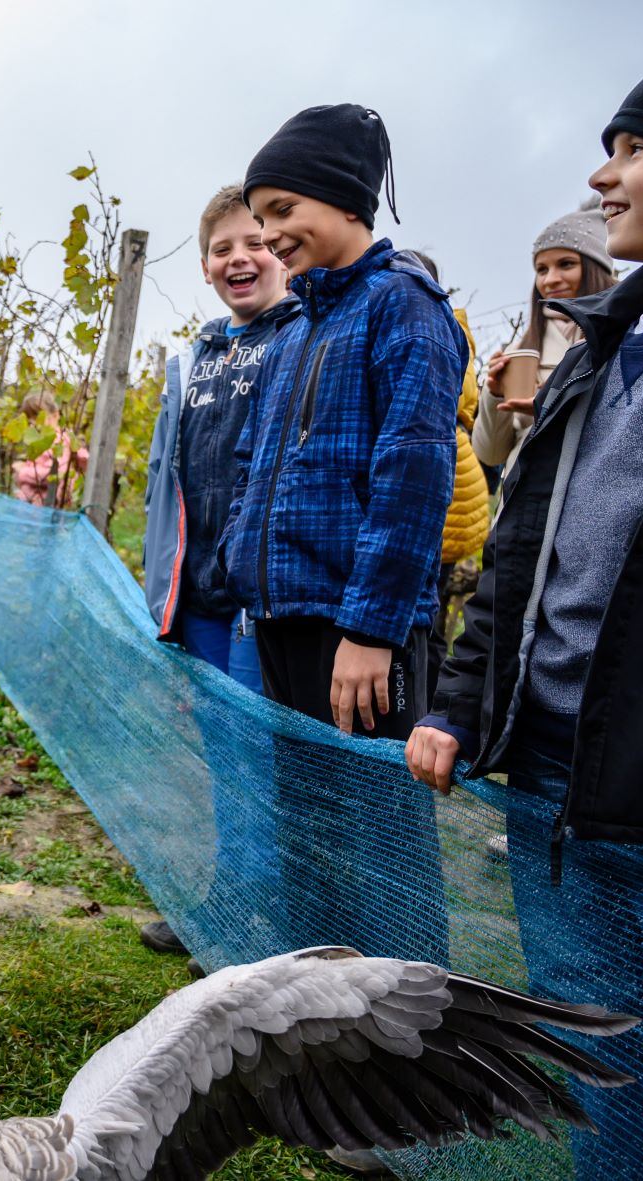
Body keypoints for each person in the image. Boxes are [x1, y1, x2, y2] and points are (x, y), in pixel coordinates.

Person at [409, 36, 643, 1180]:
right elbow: (517, 552)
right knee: (593, 1047)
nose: (602, 177)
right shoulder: (591, 351)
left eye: (631, 149)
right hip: (551, 777)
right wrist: (464, 704)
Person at [218, 105, 463, 976]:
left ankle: (411, 1030)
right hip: (283, 621)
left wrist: (370, 630)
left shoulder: (404, 308)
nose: (270, 233)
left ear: (345, 197)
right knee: (308, 825)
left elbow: (412, 477)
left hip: (356, 633)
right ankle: (323, 1012)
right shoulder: (298, 328)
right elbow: (256, 466)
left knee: (381, 837)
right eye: (260, 215)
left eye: (285, 210)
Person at [137, 185, 297, 957]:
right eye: (223, 248)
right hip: (196, 598)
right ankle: (228, 902)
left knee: (257, 768)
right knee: (224, 767)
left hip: (252, 604)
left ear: (282, 252)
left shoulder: (299, 342)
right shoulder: (193, 361)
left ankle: (251, 922)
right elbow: (164, 478)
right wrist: (160, 591)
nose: (240, 258)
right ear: (205, 267)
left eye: (255, 242)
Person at [473, 204, 618, 478]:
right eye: (541, 269)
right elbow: (491, 454)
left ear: (596, 268)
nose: (550, 280)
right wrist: (493, 395)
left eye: (566, 264)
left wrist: (549, 406)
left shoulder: (626, 336)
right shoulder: (521, 350)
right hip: (522, 500)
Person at [406, 251, 490, 702]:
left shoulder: (441, 329)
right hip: (458, 486)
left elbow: (457, 402)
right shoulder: (453, 327)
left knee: (425, 616)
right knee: (430, 612)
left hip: (450, 492)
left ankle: (428, 704)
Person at [10, 390, 85, 507]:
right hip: (31, 505)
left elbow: (55, 473)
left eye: (37, 416)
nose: (32, 422)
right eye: (29, 417)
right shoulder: (41, 440)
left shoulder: (59, 441)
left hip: (44, 508)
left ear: (55, 415)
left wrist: (23, 472)